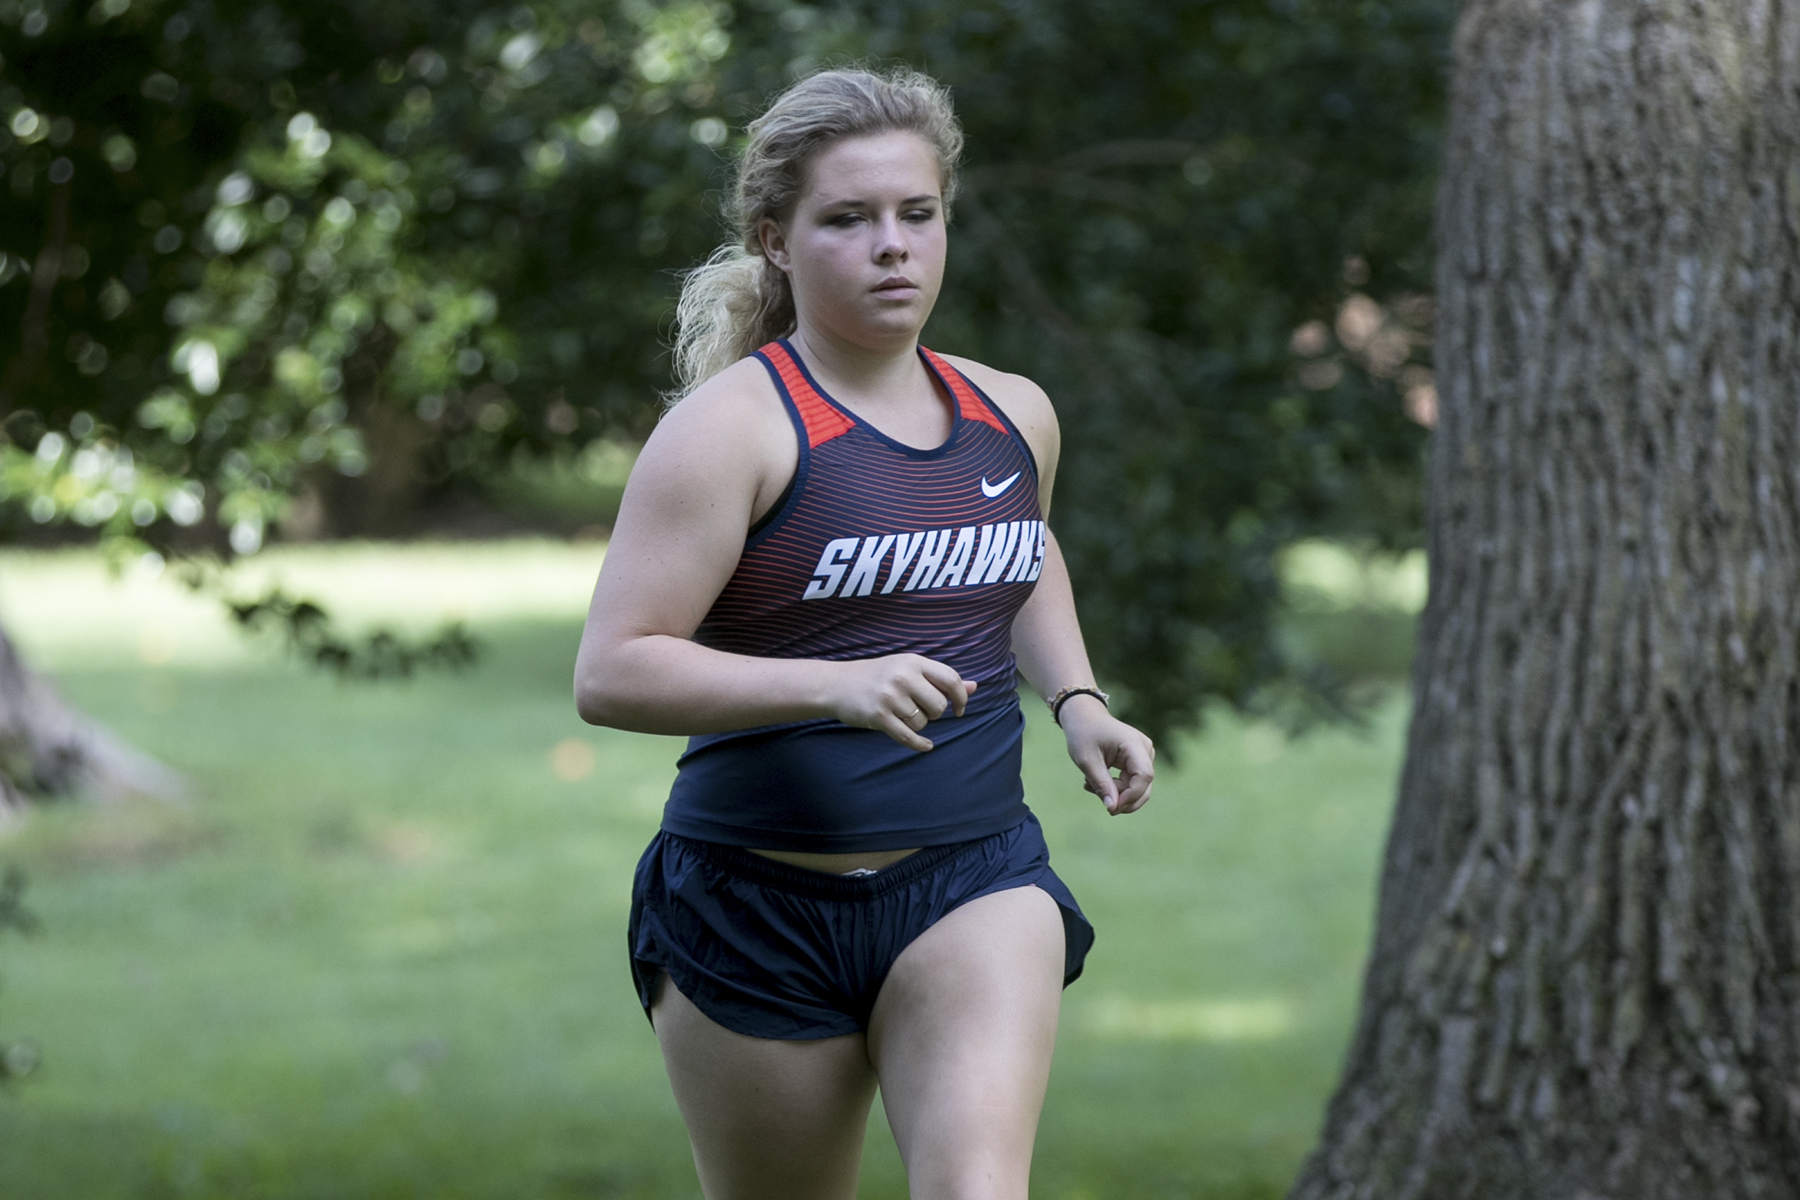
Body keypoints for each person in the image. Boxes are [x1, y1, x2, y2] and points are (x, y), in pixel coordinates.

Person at [573, 66, 1155, 1200]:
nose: (893, 246)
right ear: (776, 240)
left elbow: (1019, 551)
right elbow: (613, 671)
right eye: (849, 219)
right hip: (754, 903)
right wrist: (827, 687)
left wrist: (1079, 700)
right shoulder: (733, 430)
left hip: (973, 880)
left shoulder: (1012, 411)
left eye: (916, 215)